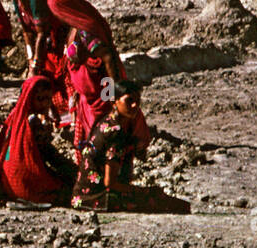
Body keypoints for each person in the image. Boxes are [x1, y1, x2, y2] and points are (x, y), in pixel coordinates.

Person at [48, 0, 151, 151]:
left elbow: (108, 59)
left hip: (100, 90)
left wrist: (110, 94)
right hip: (89, 95)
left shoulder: (86, 31)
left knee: (103, 129)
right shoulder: (75, 26)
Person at [71, 81, 189, 214]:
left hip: (83, 195)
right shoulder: (115, 132)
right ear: (115, 102)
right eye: (129, 101)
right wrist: (139, 190)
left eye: (138, 101)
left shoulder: (106, 121)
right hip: (97, 198)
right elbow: (109, 183)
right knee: (162, 200)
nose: (135, 106)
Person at [0, 75, 76, 205]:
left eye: (48, 99)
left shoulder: (14, 116)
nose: (45, 103)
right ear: (29, 98)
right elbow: (49, 154)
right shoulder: (32, 121)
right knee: (70, 189)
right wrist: (74, 170)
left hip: (7, 180)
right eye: (40, 99)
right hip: (25, 183)